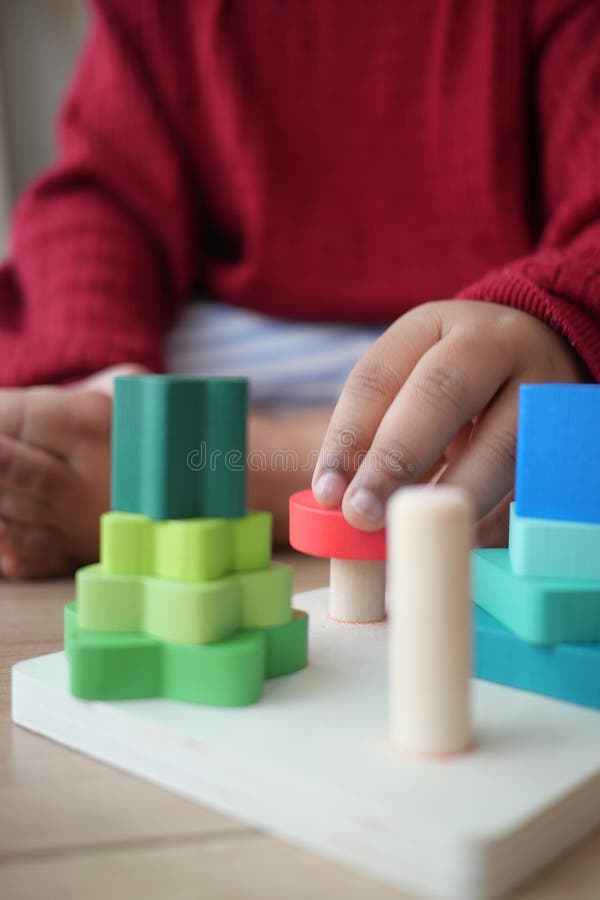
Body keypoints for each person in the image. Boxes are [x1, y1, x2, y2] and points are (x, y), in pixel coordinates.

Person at [0, 0, 597, 579]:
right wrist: (98, 396)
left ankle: (204, 465)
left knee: (532, 414)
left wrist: (551, 319)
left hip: (483, 363)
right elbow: (103, 196)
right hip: (225, 355)